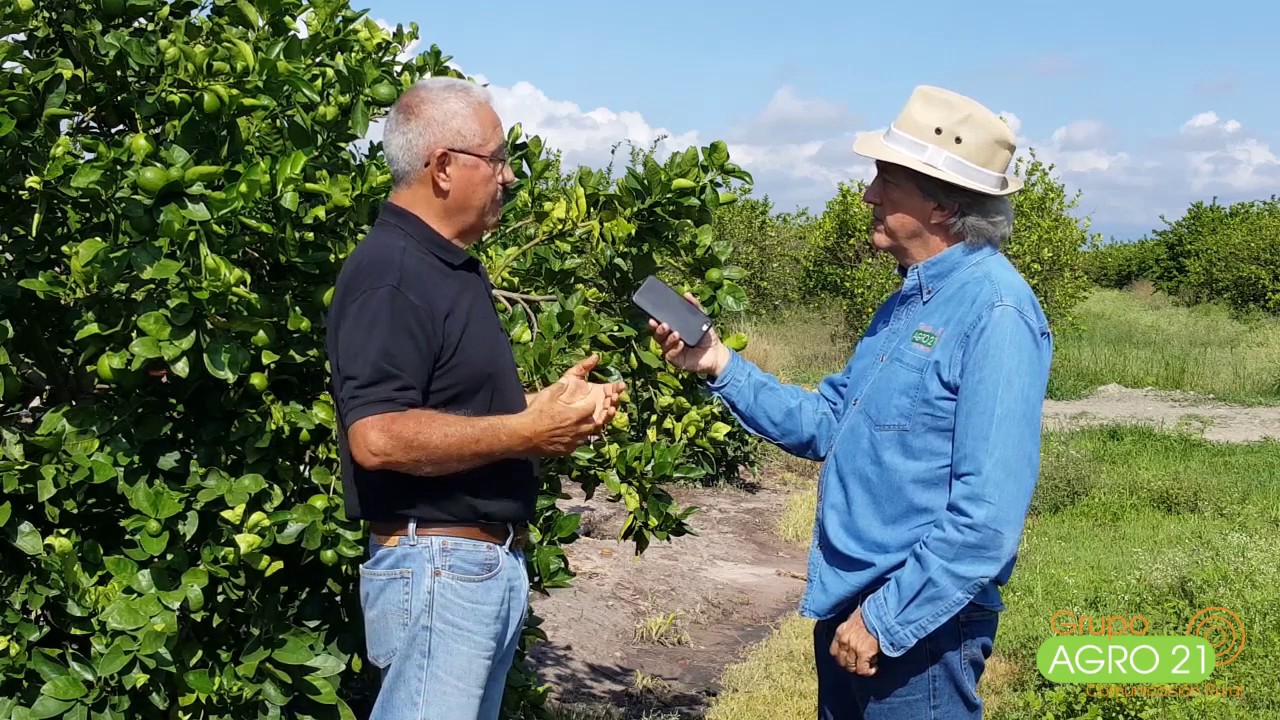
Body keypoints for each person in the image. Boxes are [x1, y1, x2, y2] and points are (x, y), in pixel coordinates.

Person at [649, 85, 1053, 719]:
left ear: (943, 203)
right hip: (855, 607)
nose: (868, 195)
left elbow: (988, 519)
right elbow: (829, 423)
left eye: (886, 180)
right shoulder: (906, 304)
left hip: (918, 630)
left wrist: (886, 619)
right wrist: (717, 361)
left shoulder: (996, 312)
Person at [325, 77, 624, 720]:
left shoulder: (444, 267)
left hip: (469, 567)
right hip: (439, 566)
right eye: (497, 159)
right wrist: (526, 433)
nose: (509, 176)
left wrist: (545, 410)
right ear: (442, 167)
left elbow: (451, 411)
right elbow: (376, 435)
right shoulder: (391, 274)